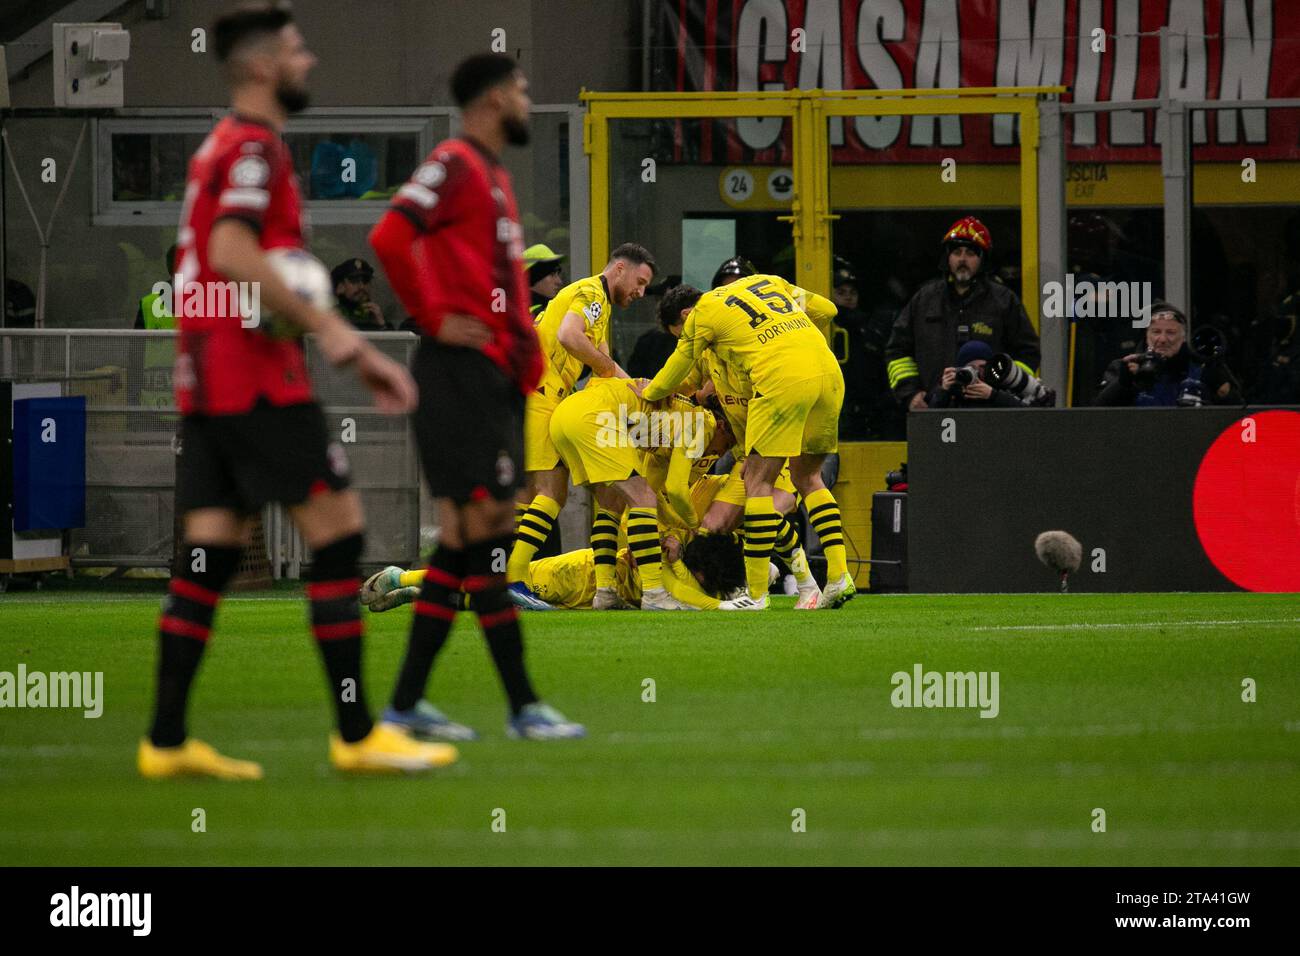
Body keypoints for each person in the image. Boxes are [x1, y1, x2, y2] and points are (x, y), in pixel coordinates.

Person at [138, 3, 455, 780]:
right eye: (295, 49)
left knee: (206, 563)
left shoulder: (218, 147)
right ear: (257, 66)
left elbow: (214, 258)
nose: (307, 60)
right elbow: (230, 246)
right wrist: (337, 332)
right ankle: (356, 734)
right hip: (258, 386)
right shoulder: (252, 146)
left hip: (208, 387)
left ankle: (166, 742)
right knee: (339, 537)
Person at [368, 52, 584, 741]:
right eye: (521, 89)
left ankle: (408, 703)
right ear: (494, 97)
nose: (527, 99)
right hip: (456, 374)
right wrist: (431, 317)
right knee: (484, 542)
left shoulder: (492, 176)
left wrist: (520, 366)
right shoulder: (457, 163)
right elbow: (390, 235)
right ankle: (522, 706)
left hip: (489, 382)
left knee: (468, 544)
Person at [636, 277, 855, 609]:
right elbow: (827, 309)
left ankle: (757, 594)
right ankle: (835, 578)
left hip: (782, 384)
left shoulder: (706, 314)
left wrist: (646, 393)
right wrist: (782, 326)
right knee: (804, 480)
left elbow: (673, 368)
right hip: (826, 373)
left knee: (759, 488)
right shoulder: (761, 286)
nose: (688, 343)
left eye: (681, 336)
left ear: (686, 314)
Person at [505, 243, 656, 608]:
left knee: (526, 497)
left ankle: (496, 574)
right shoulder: (590, 292)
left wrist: (635, 385)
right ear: (619, 268)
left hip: (530, 395)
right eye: (640, 281)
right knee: (551, 493)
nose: (641, 292)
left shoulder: (597, 308)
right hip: (542, 395)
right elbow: (569, 337)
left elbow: (604, 367)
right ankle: (512, 579)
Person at [885, 216, 1041, 413]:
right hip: (934, 408)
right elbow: (897, 351)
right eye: (957, 252)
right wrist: (910, 394)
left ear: (982, 259)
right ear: (947, 258)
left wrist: (1001, 390)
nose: (962, 259)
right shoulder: (924, 299)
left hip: (990, 411)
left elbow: (1028, 353)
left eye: (970, 253)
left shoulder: (1003, 300)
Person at [1093, 303, 1241, 407]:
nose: (1162, 339)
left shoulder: (1202, 367)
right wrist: (1123, 384)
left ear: (1183, 337)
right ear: (1146, 335)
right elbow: (1097, 415)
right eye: (1156, 332)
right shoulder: (1126, 367)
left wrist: (1221, 387)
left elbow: (1240, 416)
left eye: (1171, 332)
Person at [926, 340, 1026, 408]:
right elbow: (930, 422)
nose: (977, 372)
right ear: (960, 369)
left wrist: (993, 396)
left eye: (982, 367)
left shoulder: (999, 388)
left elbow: (1025, 414)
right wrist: (943, 392)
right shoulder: (953, 391)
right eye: (971, 368)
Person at [330, 257, 388, 329]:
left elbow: (398, 339)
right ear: (340, 286)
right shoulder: (331, 317)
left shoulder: (377, 316)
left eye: (365, 281)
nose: (361, 287)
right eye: (354, 281)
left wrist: (382, 326)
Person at [522, 243, 565, 318]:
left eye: (558, 274)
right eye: (552, 274)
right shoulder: (530, 316)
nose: (559, 282)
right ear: (534, 277)